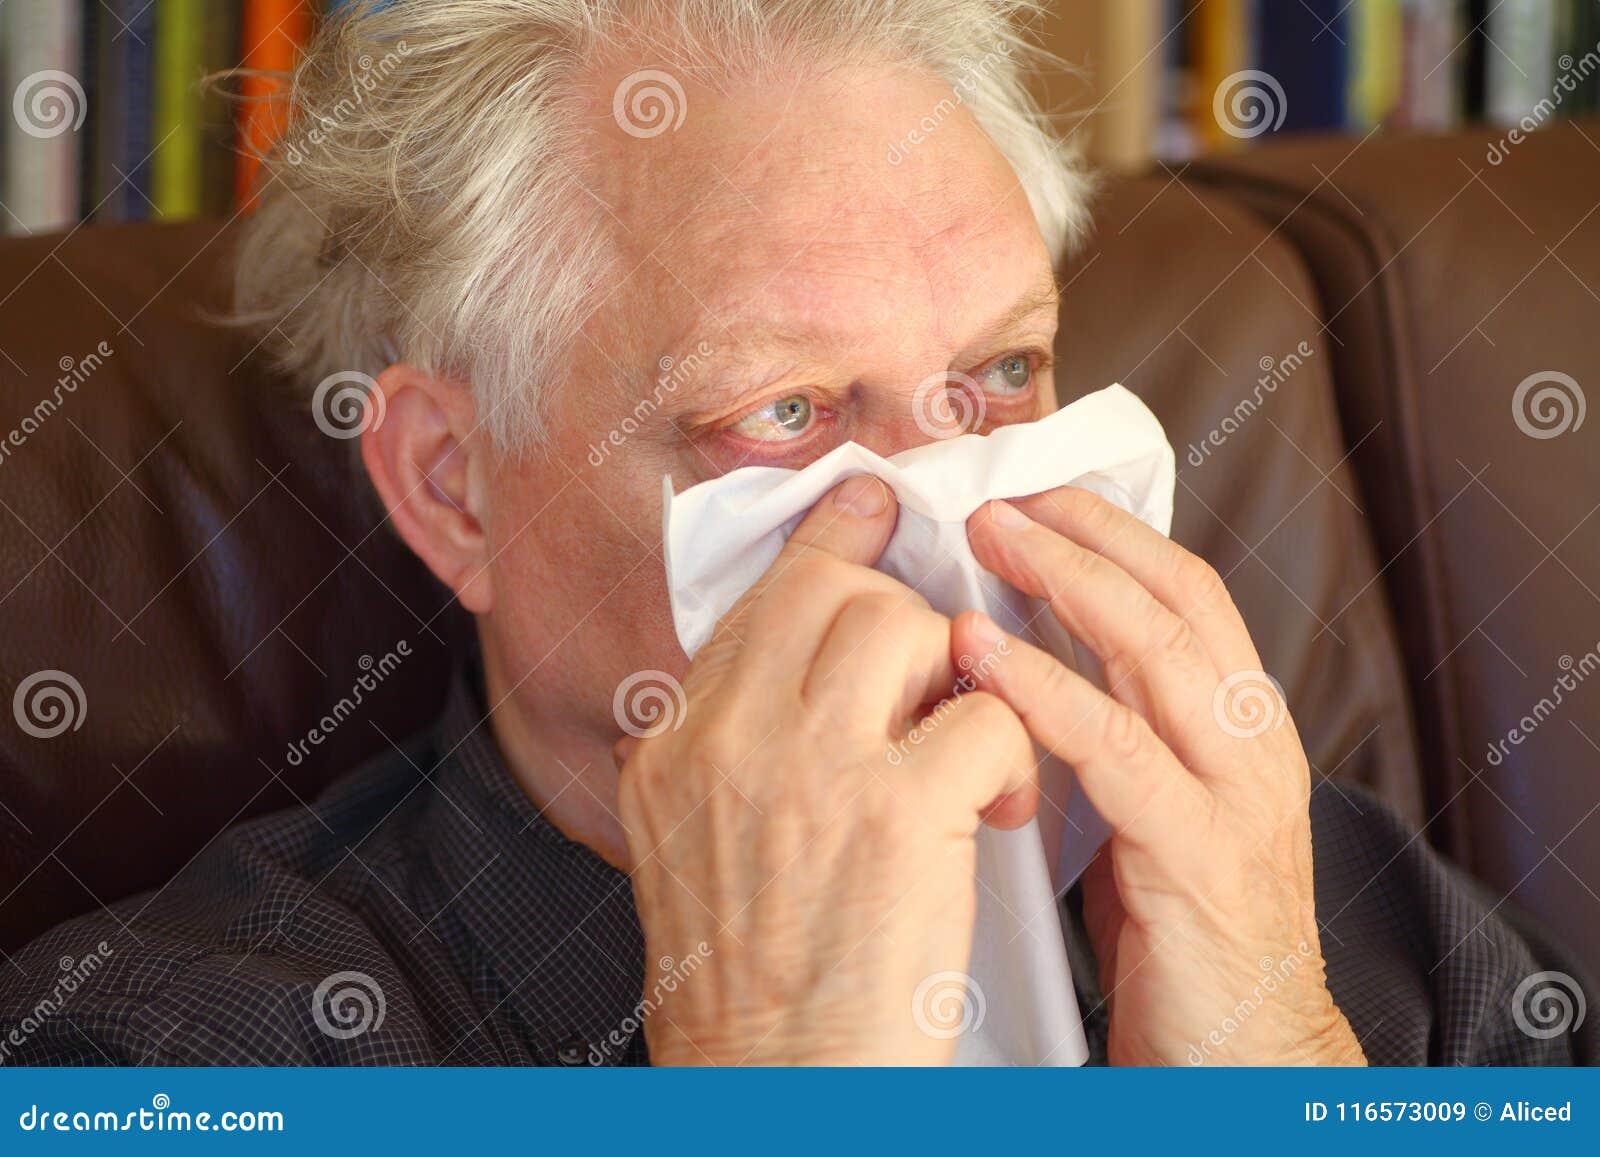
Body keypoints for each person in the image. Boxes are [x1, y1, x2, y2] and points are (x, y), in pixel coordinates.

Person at [0, 0, 1589, 1066]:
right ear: (452, 486)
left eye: (1003, 374)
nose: (944, 507)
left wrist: (1287, 1064)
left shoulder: (1330, 898)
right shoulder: (177, 1050)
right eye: (784, 410)